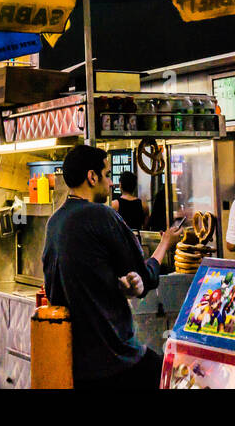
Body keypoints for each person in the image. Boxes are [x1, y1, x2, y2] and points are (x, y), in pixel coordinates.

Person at [42, 144, 183, 389]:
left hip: (73, 362)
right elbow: (146, 276)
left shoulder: (55, 221)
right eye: (107, 176)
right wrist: (165, 244)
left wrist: (124, 285)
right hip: (113, 358)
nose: (110, 184)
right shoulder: (101, 216)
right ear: (92, 177)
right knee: (175, 374)